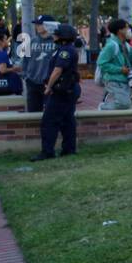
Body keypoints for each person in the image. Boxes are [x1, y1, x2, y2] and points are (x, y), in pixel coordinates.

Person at [32, 23, 81, 161]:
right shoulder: (66, 49)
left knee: (49, 121)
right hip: (69, 89)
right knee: (67, 120)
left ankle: (47, 152)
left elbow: (58, 70)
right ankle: (69, 149)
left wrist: (48, 87)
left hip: (62, 91)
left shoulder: (65, 51)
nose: (54, 35)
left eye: (57, 33)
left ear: (63, 36)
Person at [96, 18, 132, 109]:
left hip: (126, 79)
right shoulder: (112, 45)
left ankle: (108, 105)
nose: (129, 30)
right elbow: (102, 63)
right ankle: (103, 107)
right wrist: (120, 69)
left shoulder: (126, 45)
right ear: (120, 30)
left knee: (128, 105)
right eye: (127, 28)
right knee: (124, 104)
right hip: (113, 79)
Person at [23, 15, 58, 111]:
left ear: (49, 25)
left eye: (40, 24)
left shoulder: (57, 42)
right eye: (36, 24)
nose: (37, 26)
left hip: (50, 83)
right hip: (32, 83)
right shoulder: (32, 41)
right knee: (32, 114)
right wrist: (26, 76)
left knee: (51, 113)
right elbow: (25, 60)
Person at [0, 30, 22, 97]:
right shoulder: (2, 54)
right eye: (6, 39)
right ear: (0, 41)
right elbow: (2, 70)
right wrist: (15, 68)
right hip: (5, 85)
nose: (7, 41)